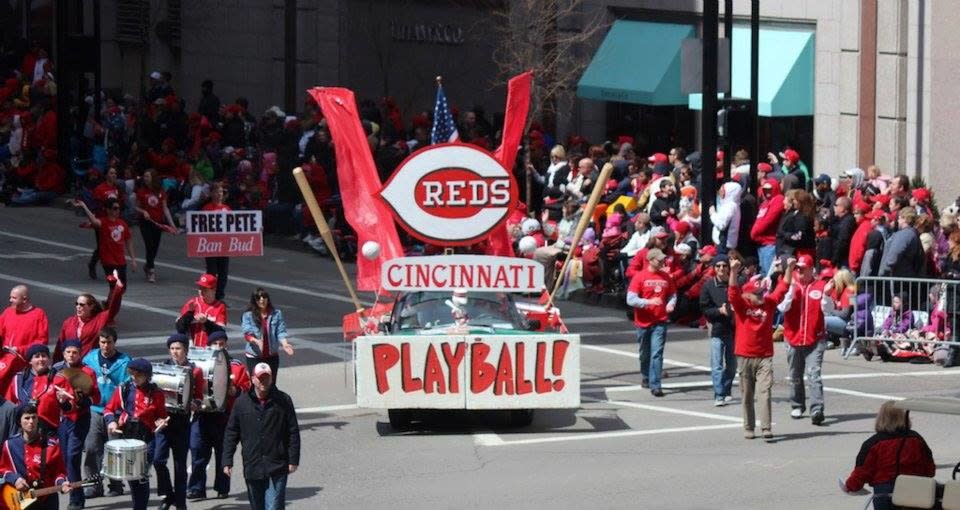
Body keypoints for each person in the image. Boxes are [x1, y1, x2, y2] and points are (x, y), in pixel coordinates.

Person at [728, 257, 794, 439]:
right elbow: (732, 292)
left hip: (764, 355)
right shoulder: (741, 305)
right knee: (747, 394)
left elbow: (783, 287)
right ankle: (749, 427)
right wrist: (733, 271)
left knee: (765, 392)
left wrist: (790, 268)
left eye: (761, 293)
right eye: (756, 294)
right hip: (744, 355)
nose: (760, 296)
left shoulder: (769, 303)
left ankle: (766, 427)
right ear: (747, 295)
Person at [223, 362, 300, 510]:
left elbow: (293, 431)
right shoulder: (241, 403)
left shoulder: (283, 400)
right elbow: (231, 433)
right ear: (253, 379)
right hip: (253, 466)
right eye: (260, 378)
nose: (263, 381)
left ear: (272, 379)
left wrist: (293, 459)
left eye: (266, 378)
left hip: (277, 465)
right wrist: (227, 460)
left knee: (274, 506)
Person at [188, 331, 250, 500]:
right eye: (215, 344)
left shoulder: (236, 366)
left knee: (223, 454)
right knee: (197, 451)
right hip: (203, 414)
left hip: (225, 417)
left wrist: (235, 391)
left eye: (222, 344)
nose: (218, 347)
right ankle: (196, 488)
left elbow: (247, 388)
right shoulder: (198, 364)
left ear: (226, 346)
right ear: (209, 346)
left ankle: (222, 487)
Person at [842, 401, 936, 509]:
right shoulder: (916, 439)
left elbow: (861, 473)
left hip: (885, 494)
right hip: (913, 492)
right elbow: (930, 470)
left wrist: (849, 486)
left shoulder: (872, 443)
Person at [104, 358, 169, 510]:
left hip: (147, 438)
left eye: (138, 375)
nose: (134, 378)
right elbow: (109, 409)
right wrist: (111, 422)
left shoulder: (156, 393)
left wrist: (161, 422)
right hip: (127, 437)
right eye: (132, 374)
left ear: (147, 376)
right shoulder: (123, 389)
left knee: (141, 476)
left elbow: (161, 415)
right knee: (133, 477)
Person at [779, 254, 830, 425]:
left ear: (811, 269)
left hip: (815, 338)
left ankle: (817, 409)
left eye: (803, 268)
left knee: (814, 374)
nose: (800, 271)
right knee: (795, 374)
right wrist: (790, 290)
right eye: (798, 268)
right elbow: (782, 307)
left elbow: (828, 309)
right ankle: (797, 404)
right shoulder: (789, 283)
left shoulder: (821, 286)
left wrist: (827, 295)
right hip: (793, 337)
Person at [154, 334, 203, 510]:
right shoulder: (163, 367)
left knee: (180, 465)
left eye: (178, 348)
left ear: (186, 350)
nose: (175, 352)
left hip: (181, 422)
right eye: (172, 349)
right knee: (158, 460)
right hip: (164, 421)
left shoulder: (195, 370)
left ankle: (180, 502)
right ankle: (168, 495)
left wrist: (195, 404)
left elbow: (199, 396)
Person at [81, 327, 131, 499]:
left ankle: (116, 484)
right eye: (102, 342)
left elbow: (127, 388)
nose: (106, 346)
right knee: (91, 448)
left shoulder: (124, 361)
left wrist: (123, 413)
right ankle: (93, 485)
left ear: (114, 342)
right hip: (94, 409)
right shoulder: (90, 358)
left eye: (109, 342)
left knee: (114, 449)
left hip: (114, 411)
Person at [52, 339, 100, 510]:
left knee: (73, 456)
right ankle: (77, 493)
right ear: (63, 353)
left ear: (80, 354)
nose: (71, 355)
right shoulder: (56, 371)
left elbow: (97, 397)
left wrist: (86, 400)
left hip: (80, 419)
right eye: (68, 352)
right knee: (66, 459)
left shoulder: (88, 371)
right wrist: (59, 401)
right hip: (62, 419)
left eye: (75, 352)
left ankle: (76, 498)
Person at [625, 249, 677, 397]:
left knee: (657, 353)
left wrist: (671, 304)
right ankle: (646, 376)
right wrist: (648, 302)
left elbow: (672, 294)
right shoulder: (639, 277)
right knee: (644, 353)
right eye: (659, 260)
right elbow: (631, 299)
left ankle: (656, 385)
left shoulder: (666, 277)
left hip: (660, 321)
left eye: (663, 260)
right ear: (650, 260)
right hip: (643, 322)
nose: (662, 262)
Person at [0, 405, 70, 510]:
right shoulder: (10, 445)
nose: (31, 421)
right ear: (19, 421)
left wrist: (62, 483)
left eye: (34, 417)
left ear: (38, 420)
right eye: (27, 418)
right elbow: (4, 470)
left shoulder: (51, 445)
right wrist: (16, 479)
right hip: (22, 500)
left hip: (47, 498)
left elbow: (59, 472)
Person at [53, 272, 125, 361]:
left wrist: (116, 289)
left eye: (82, 304)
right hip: (70, 364)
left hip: (90, 364)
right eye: (76, 304)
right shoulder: (68, 322)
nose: (78, 307)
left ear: (91, 306)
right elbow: (60, 345)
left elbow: (113, 309)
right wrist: (55, 364)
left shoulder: (98, 320)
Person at [73, 197, 137, 286]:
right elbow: (94, 221)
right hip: (108, 261)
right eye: (115, 208)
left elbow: (128, 241)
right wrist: (84, 206)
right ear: (108, 210)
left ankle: (109, 296)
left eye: (119, 208)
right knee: (114, 286)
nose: (118, 211)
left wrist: (133, 259)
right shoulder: (103, 222)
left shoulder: (122, 224)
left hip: (121, 261)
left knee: (122, 287)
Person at [699, 255, 735, 406]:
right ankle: (719, 395)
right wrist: (719, 311)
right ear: (714, 268)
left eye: (724, 265)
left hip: (733, 330)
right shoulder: (708, 286)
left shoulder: (734, 283)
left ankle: (726, 389)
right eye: (718, 266)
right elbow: (704, 309)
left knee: (732, 366)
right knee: (717, 365)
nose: (721, 268)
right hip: (717, 330)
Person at [6, 345, 63, 437]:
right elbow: (9, 403)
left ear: (49, 359)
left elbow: (69, 407)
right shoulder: (18, 379)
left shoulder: (58, 378)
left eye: (44, 356)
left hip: (49, 431)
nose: (41, 359)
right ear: (30, 361)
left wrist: (63, 401)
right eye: (37, 356)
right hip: (22, 430)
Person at [0, 285, 49, 389]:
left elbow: (41, 341)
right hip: (4, 361)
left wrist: (19, 349)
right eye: (10, 297)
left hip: (22, 363)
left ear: (24, 299)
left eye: (14, 298)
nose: (10, 300)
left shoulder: (38, 314)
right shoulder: (8, 312)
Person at [240, 288, 293, 382]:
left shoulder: (276, 313)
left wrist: (285, 344)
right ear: (254, 301)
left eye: (264, 297)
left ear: (268, 299)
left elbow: (280, 331)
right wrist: (256, 341)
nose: (262, 300)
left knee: (271, 383)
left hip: (272, 355)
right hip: (254, 355)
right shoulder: (248, 315)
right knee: (256, 383)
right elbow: (247, 334)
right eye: (258, 298)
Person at [134, 169, 177, 283]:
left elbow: (165, 209)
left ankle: (148, 265)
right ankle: (151, 271)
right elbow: (136, 207)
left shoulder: (161, 192)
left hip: (158, 223)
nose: (145, 178)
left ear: (153, 178)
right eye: (144, 176)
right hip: (145, 222)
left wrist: (172, 225)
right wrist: (143, 211)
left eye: (147, 176)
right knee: (149, 245)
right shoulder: (141, 191)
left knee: (155, 248)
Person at [176, 274, 227, 348]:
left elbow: (220, 332)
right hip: (190, 349)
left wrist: (206, 322)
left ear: (214, 289)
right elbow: (180, 328)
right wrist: (190, 313)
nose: (201, 291)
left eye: (205, 289)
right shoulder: (192, 303)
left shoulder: (220, 307)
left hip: (210, 349)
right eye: (200, 288)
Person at [202, 182, 231, 300]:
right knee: (212, 272)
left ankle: (220, 297)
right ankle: (210, 295)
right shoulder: (206, 208)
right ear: (211, 194)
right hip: (210, 245)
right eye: (217, 192)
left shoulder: (227, 209)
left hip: (224, 245)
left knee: (223, 272)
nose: (219, 194)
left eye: (221, 192)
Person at [751, 179, 785, 275]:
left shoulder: (778, 199)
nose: (767, 192)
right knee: (763, 273)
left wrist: (755, 233)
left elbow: (768, 220)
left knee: (769, 275)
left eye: (769, 189)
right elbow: (759, 220)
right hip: (761, 244)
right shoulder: (764, 203)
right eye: (765, 189)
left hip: (770, 244)